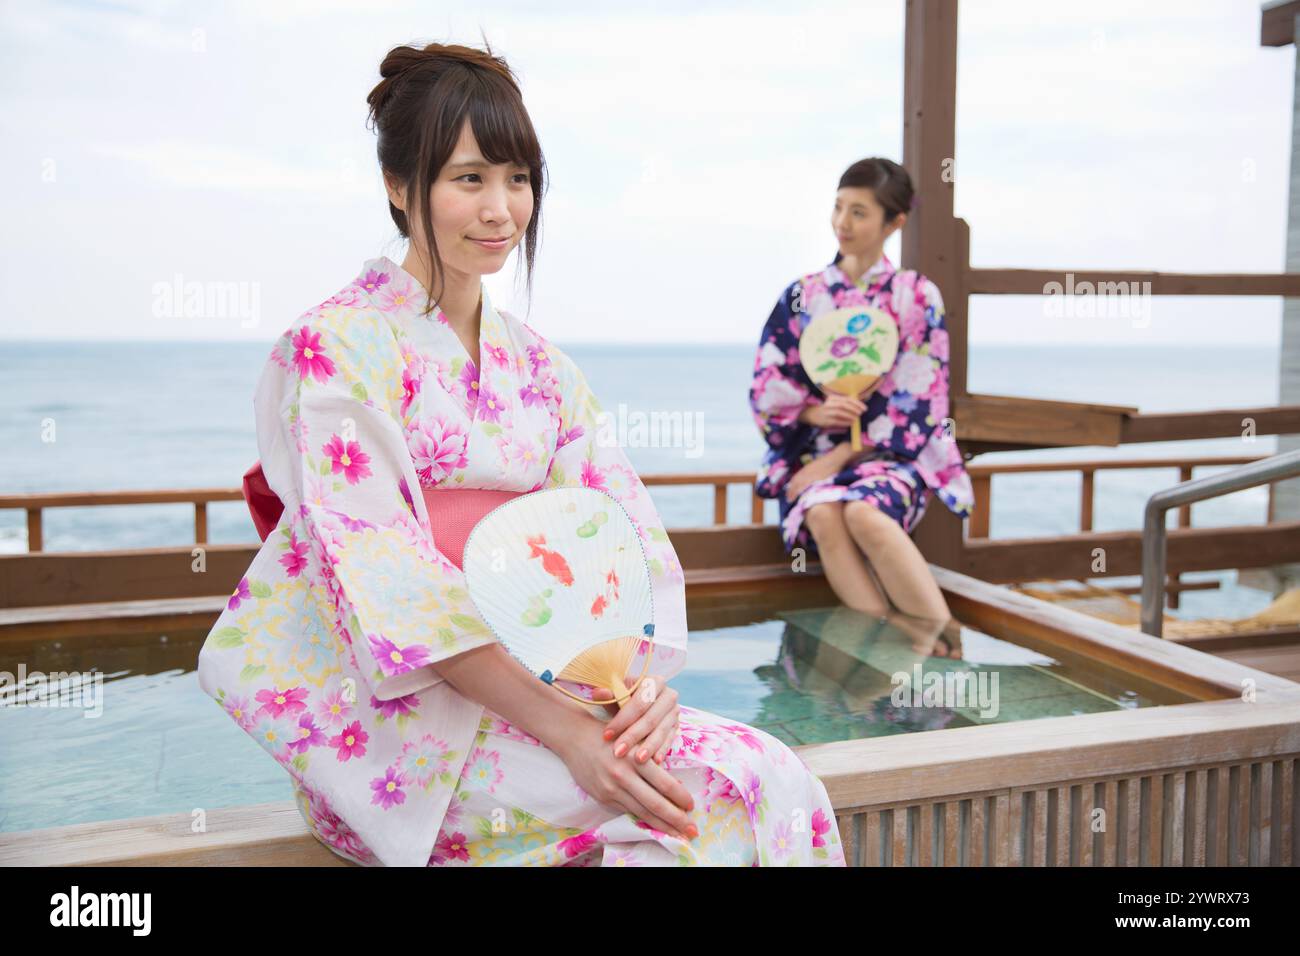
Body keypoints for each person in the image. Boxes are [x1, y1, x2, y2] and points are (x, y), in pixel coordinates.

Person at [197, 39, 845, 867]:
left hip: (547, 695)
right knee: (700, 808)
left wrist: (638, 692)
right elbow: (388, 581)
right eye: (469, 178)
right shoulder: (334, 348)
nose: (501, 207)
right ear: (400, 187)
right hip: (395, 731)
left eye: (517, 177)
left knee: (774, 775)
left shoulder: (541, 367)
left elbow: (618, 539)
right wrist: (571, 738)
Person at [748, 157, 975, 643]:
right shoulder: (804, 295)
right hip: (812, 458)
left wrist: (841, 457)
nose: (842, 224)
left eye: (859, 212)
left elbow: (923, 402)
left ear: (895, 222)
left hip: (891, 456)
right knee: (824, 512)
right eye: (837, 208)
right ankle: (900, 642)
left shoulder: (916, 296)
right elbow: (768, 384)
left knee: (863, 512)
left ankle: (946, 638)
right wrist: (813, 411)